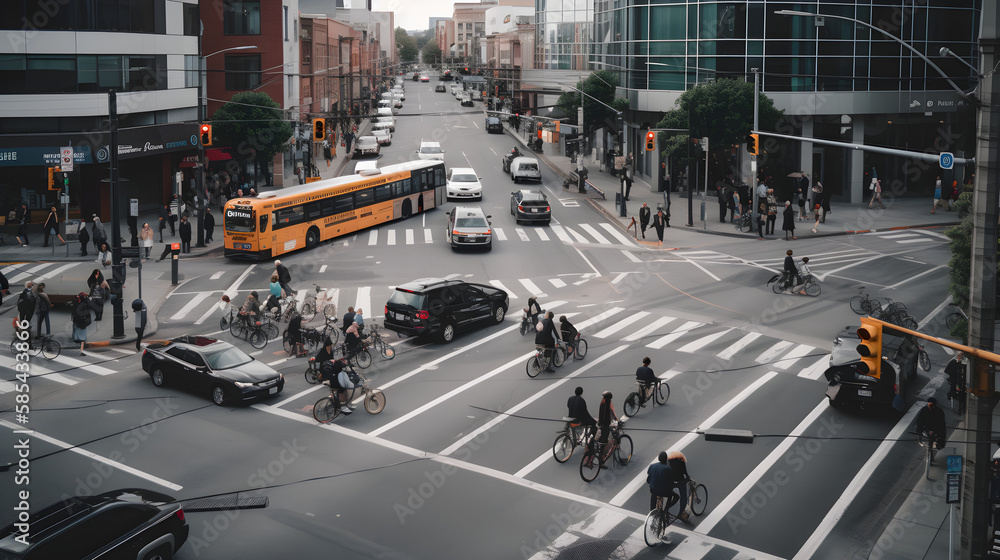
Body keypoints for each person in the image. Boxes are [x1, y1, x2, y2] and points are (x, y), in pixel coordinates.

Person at [667, 450, 693, 524]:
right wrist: (688, 478)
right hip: (680, 481)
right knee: (683, 496)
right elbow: (685, 472)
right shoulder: (681, 462)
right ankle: (681, 512)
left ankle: (667, 508)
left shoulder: (669, 462)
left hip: (671, 482)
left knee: (670, 494)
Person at [597, 391, 616, 462]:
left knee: (601, 440)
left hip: (601, 424)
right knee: (603, 443)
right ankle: (601, 461)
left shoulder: (602, 403)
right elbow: (610, 414)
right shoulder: (607, 405)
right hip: (605, 426)